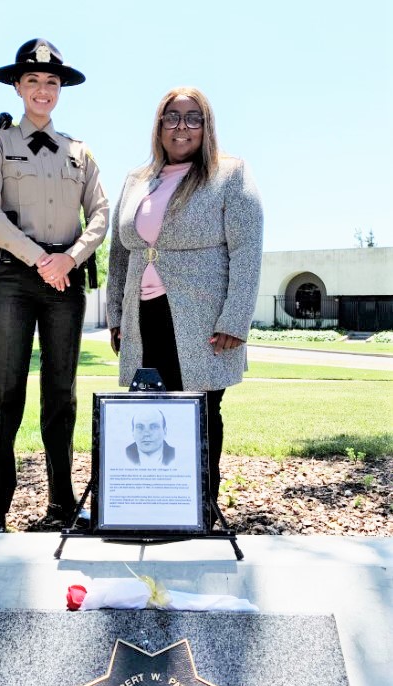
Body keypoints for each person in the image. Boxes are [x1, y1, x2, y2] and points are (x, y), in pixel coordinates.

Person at [107, 86, 263, 522]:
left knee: (202, 410)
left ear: (206, 125)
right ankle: (155, 505)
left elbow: (247, 249)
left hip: (204, 318)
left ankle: (202, 506)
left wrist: (236, 318)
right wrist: (117, 317)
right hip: (144, 315)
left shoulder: (229, 174)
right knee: (149, 409)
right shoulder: (136, 180)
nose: (182, 127)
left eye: (193, 118)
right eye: (172, 117)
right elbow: (119, 253)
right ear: (159, 125)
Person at [0, 38, 109, 533]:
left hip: (64, 283)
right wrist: (39, 259)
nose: (43, 90)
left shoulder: (80, 151)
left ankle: (61, 506)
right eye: (33, 80)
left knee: (61, 394)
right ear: (17, 86)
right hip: (13, 277)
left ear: (60, 89)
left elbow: (100, 213)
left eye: (51, 82)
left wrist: (69, 259)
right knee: (5, 392)